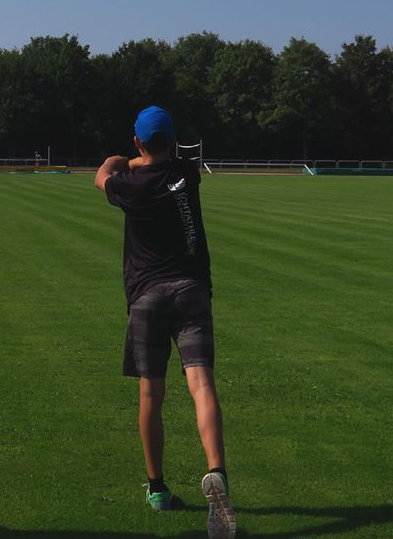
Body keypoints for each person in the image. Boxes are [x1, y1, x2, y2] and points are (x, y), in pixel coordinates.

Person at [94, 105, 236, 539]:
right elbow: (159, 160)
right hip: (192, 291)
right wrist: (146, 154)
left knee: (151, 393)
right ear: (174, 142)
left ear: (138, 141)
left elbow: (103, 174)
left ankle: (157, 488)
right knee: (202, 385)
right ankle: (217, 473)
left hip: (147, 297)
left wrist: (125, 157)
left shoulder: (130, 186)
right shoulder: (186, 173)